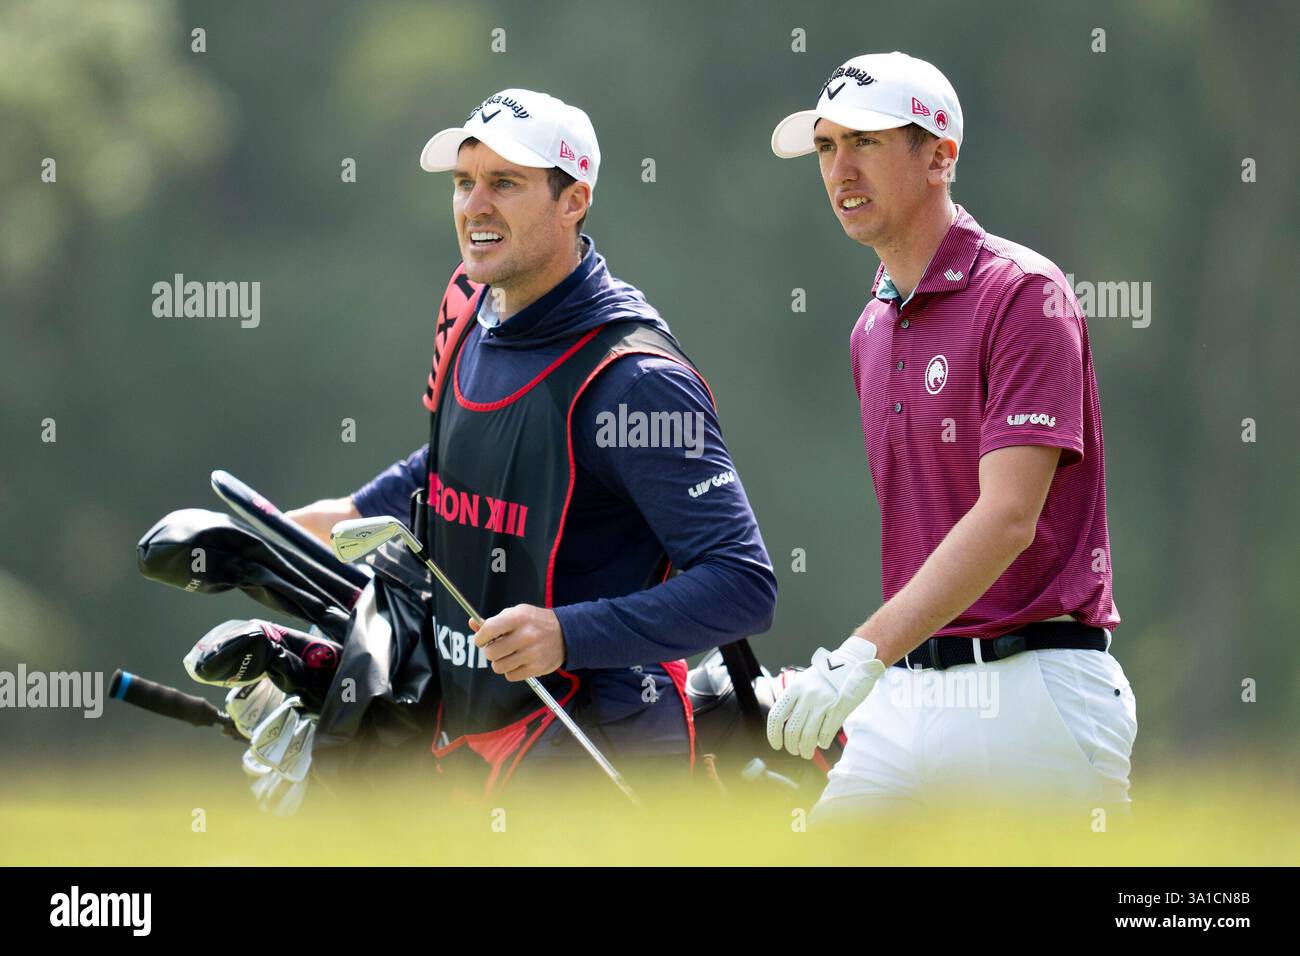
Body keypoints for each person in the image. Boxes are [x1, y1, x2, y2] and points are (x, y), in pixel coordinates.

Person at [288, 88, 776, 794]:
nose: (474, 205)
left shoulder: (634, 379)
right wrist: (346, 511)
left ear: (574, 199)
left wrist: (565, 633)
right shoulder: (468, 303)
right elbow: (462, 461)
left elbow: (743, 586)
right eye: (464, 182)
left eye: (505, 183)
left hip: (602, 752)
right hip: (474, 736)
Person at [764, 53, 1136, 820]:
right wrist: (851, 669)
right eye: (827, 147)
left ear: (940, 156)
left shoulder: (1025, 295)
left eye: (865, 142)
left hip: (1036, 689)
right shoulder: (870, 325)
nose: (840, 168)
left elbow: (1007, 519)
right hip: (901, 697)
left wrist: (860, 654)